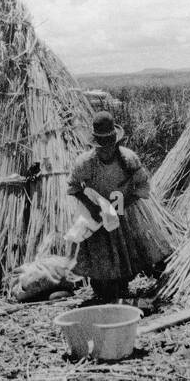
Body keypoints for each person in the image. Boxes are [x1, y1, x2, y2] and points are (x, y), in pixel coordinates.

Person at [67, 111, 154, 303]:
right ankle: (101, 290)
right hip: (97, 216)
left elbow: (142, 186)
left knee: (124, 253)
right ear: (95, 144)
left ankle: (121, 288)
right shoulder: (85, 163)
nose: (106, 150)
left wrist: (122, 205)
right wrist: (93, 208)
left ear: (116, 142)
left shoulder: (128, 159)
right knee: (99, 256)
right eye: (101, 146)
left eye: (109, 145)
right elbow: (73, 187)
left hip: (122, 213)